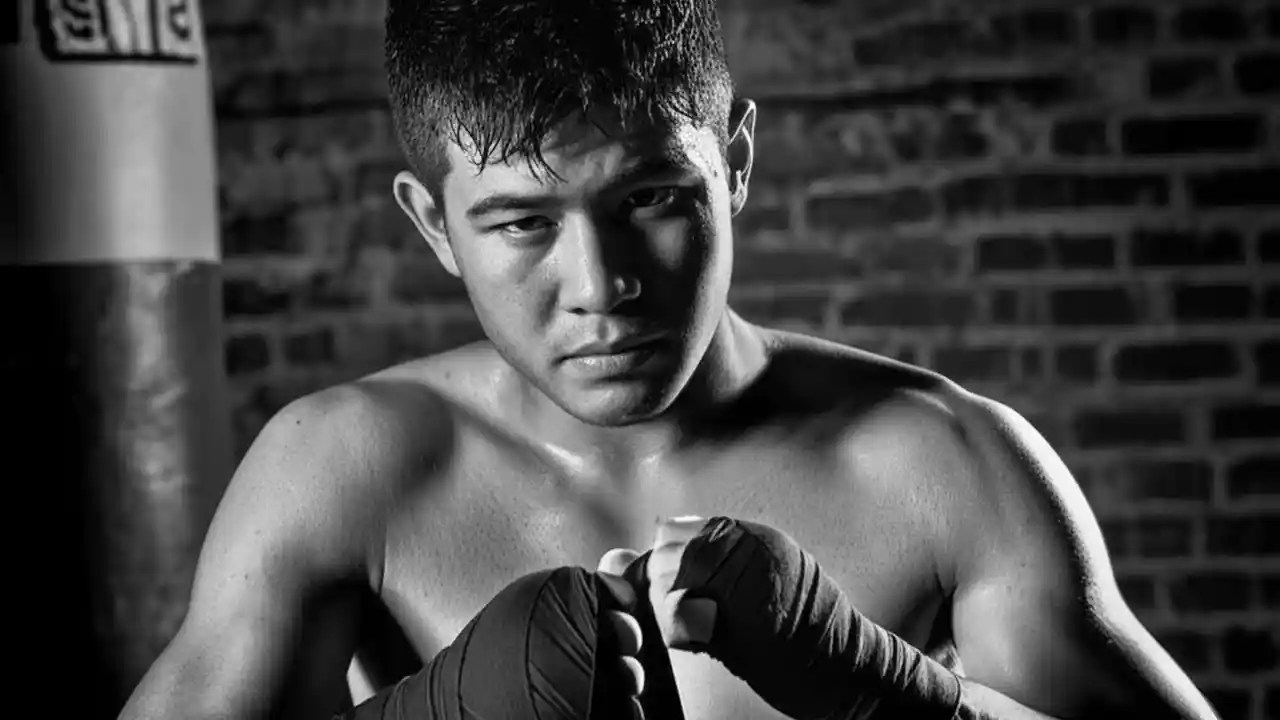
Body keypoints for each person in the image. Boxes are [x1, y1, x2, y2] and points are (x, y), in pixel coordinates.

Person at [119, 1, 1221, 719]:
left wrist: (877, 691)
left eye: (648, 199)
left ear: (732, 165)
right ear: (431, 226)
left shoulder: (941, 462)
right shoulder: (340, 470)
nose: (600, 287)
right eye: (519, 224)